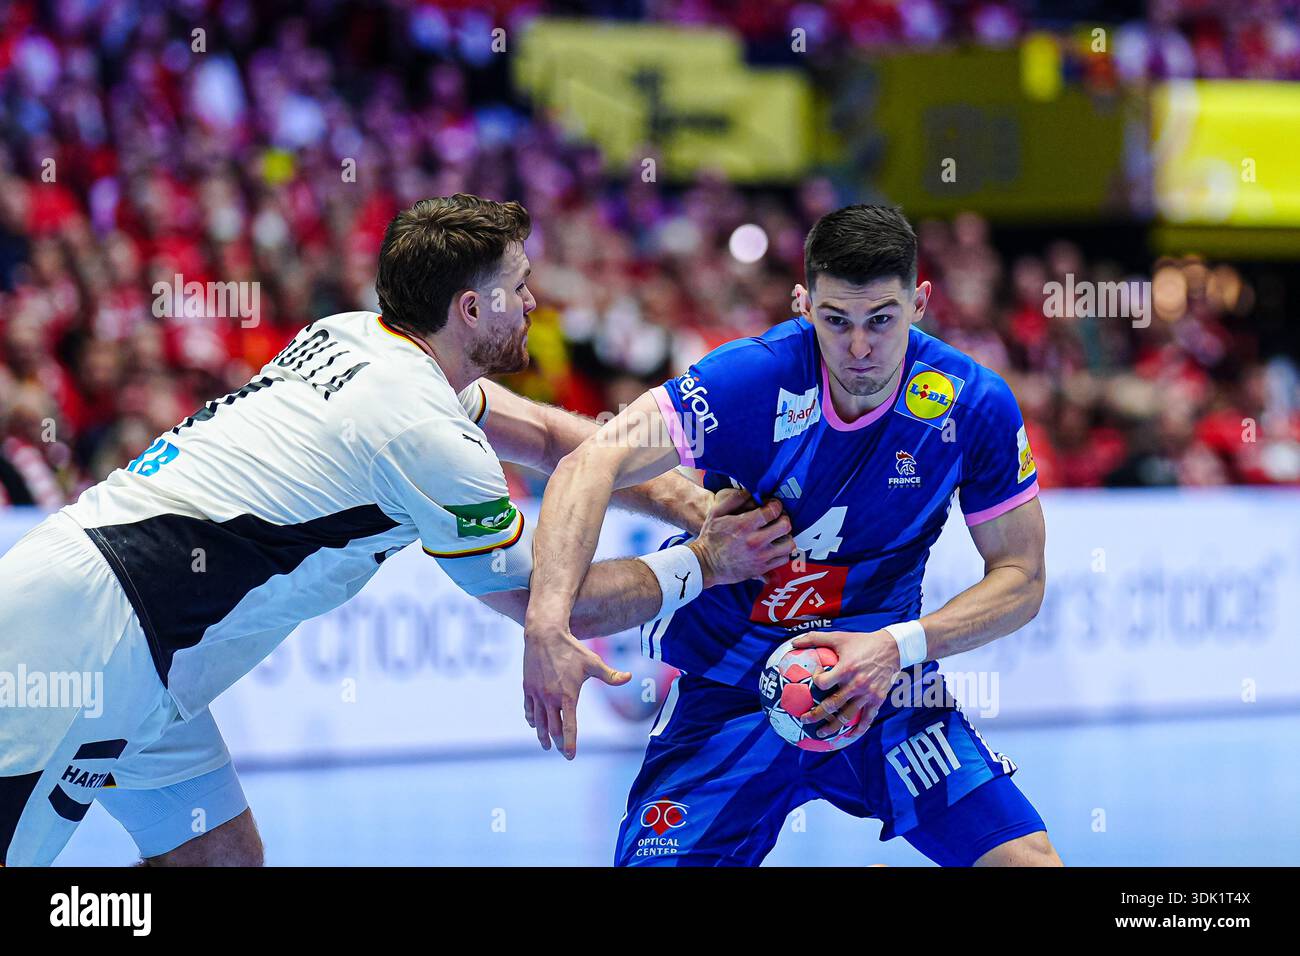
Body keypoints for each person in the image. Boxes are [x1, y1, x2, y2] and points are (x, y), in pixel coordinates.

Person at [0, 193, 793, 866]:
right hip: (89, 635)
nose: (533, 303)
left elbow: (557, 442)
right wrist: (708, 562)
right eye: (519, 287)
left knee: (221, 859)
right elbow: (554, 602)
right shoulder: (420, 428)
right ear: (470, 308)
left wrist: (689, 502)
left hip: (154, 658)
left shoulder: (361, 336)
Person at [524, 204, 1063, 866]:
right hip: (727, 691)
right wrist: (546, 625)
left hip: (882, 687)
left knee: (1025, 862)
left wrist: (898, 646)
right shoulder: (750, 380)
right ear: (804, 303)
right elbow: (591, 459)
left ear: (919, 301)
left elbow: (1022, 577)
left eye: (882, 320)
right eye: (836, 320)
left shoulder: (971, 404)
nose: (860, 347)